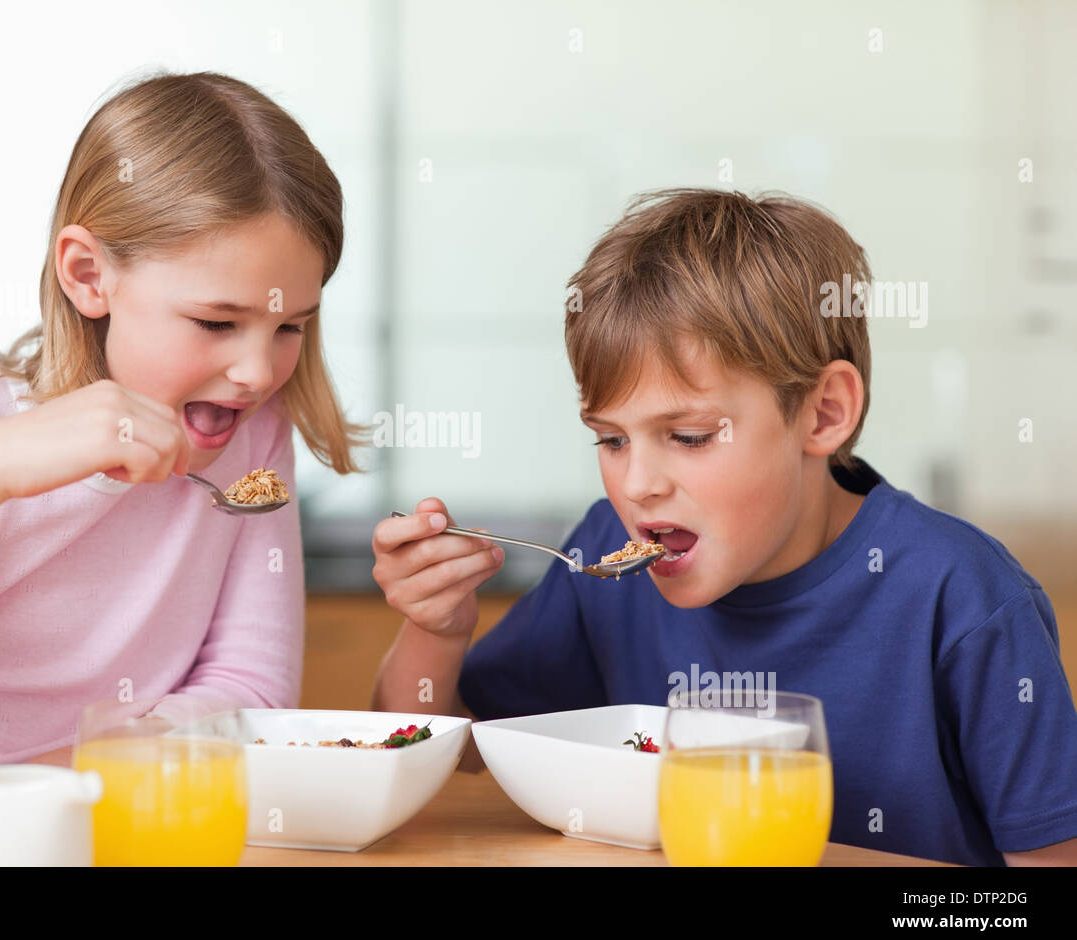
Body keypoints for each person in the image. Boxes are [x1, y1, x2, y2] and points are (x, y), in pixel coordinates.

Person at [370, 187, 1077, 867]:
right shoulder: (603, 565)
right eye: (611, 440)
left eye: (691, 435)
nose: (638, 484)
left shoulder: (963, 597)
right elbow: (436, 743)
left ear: (824, 413)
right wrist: (437, 629)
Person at [0, 71, 364, 866]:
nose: (260, 371)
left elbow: (249, 695)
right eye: (215, 322)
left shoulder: (254, 446)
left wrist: (36, 794)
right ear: (89, 276)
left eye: (291, 324)